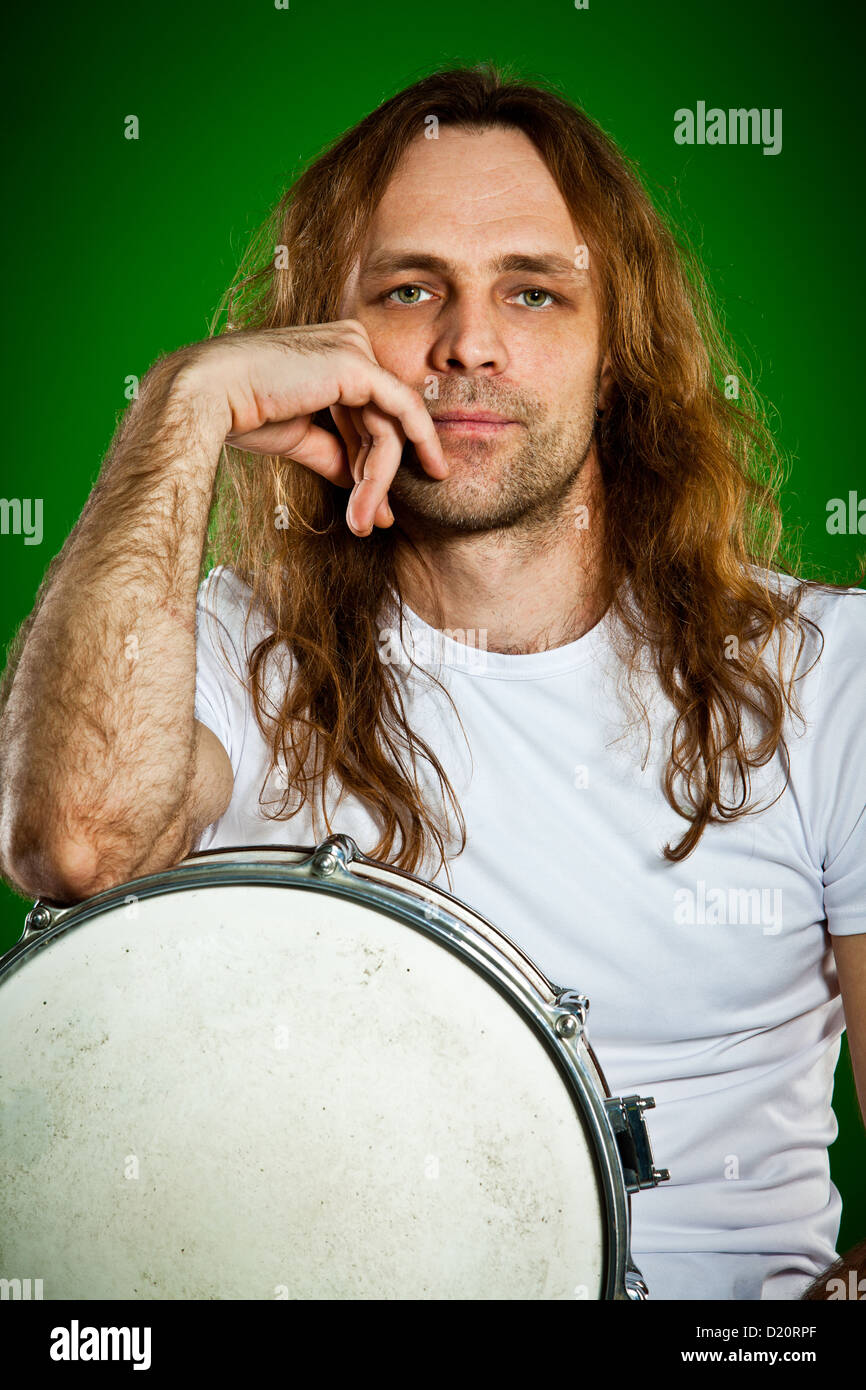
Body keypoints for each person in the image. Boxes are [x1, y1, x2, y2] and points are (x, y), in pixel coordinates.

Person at [0, 63, 863, 1302]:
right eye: (411, 290)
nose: (468, 342)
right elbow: (74, 845)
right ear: (320, 337)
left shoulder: (831, 681)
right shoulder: (231, 651)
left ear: (615, 350)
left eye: (534, 291)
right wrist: (180, 410)